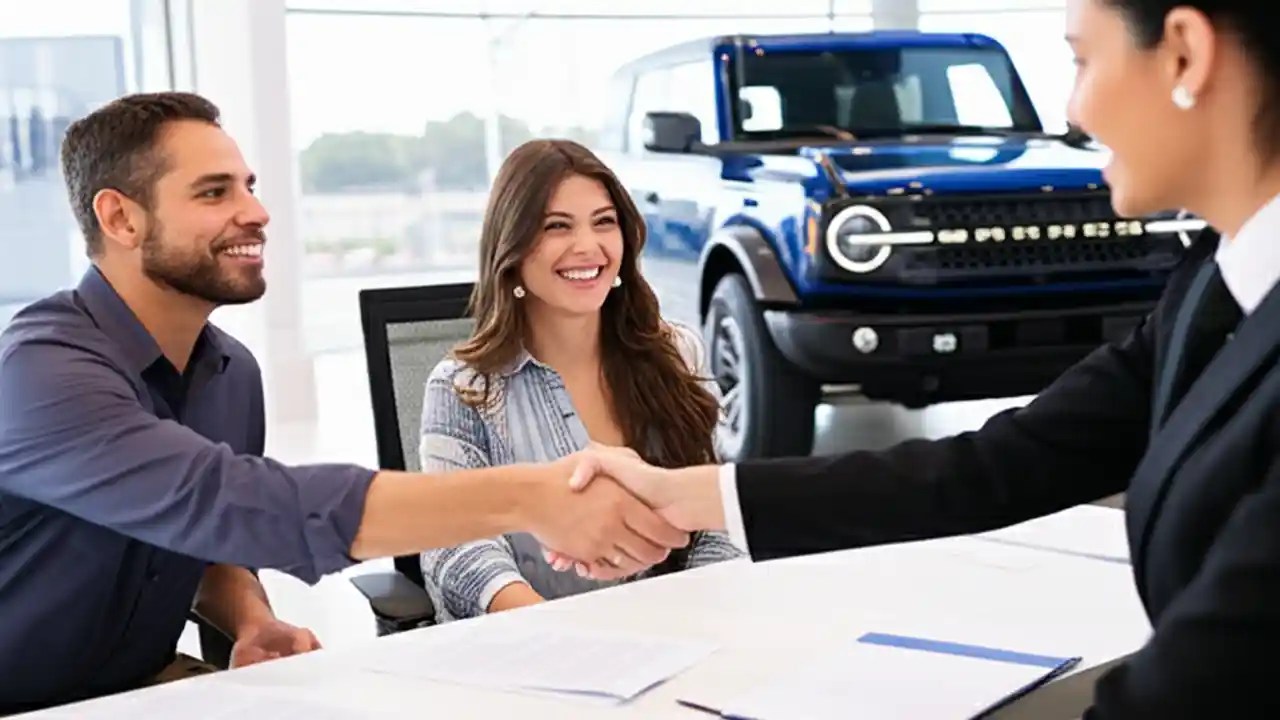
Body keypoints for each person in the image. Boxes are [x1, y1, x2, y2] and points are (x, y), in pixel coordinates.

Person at [561, 1, 1280, 716]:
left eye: (1082, 60)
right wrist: (685, 495)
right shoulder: (1210, 283)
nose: (1074, 111)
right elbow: (996, 465)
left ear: (1184, 55)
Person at [0, 92, 687, 714]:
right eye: (213, 192)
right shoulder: (39, 372)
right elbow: (231, 501)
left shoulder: (230, 374)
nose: (256, 212)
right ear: (120, 217)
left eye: (249, 186)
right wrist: (535, 497)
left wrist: (250, 618)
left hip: (145, 685)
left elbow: (201, 541)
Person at [416, 140, 743, 622]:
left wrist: (692, 615)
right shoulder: (464, 387)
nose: (588, 246)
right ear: (512, 246)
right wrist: (557, 631)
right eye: (557, 226)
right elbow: (456, 546)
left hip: (681, 632)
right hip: (536, 644)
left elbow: (720, 514)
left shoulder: (677, 352)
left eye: (604, 222)